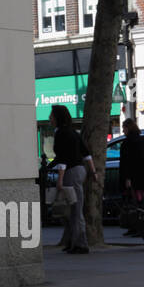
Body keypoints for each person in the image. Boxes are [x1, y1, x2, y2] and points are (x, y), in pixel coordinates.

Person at [48, 104, 95, 254]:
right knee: (73, 208)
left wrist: (60, 179)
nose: (49, 118)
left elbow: (63, 158)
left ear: (57, 117)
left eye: (52, 116)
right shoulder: (73, 132)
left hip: (71, 173)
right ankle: (73, 241)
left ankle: (80, 244)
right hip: (80, 170)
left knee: (74, 209)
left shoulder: (61, 134)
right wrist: (93, 171)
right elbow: (86, 153)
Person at [119, 117, 144, 225]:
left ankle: (133, 225)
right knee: (138, 200)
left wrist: (127, 177)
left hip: (131, 177)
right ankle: (139, 224)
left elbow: (128, 162)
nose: (123, 131)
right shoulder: (141, 141)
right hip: (140, 176)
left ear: (128, 128)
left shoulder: (127, 143)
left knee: (131, 202)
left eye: (124, 128)